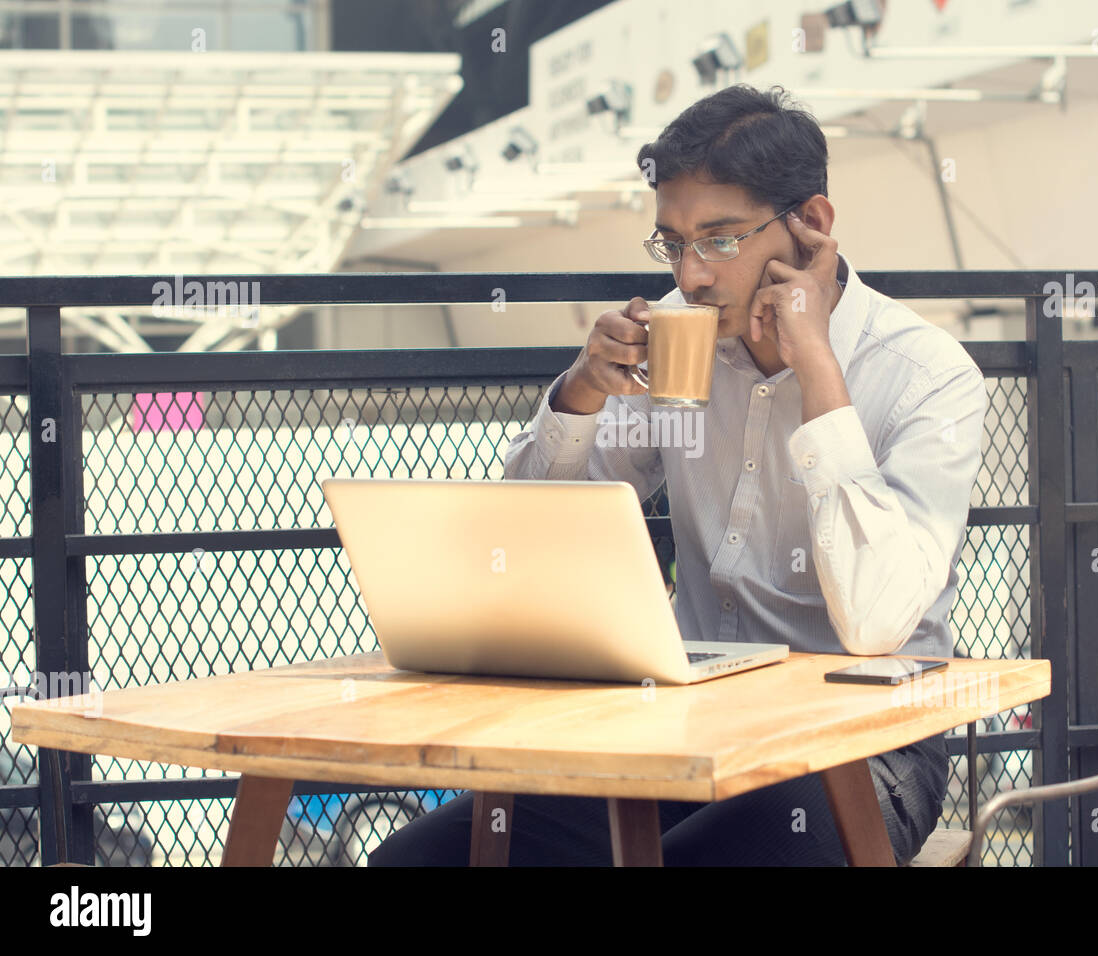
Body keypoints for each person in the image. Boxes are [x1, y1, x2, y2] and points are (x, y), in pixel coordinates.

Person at [369, 83, 989, 867]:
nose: (692, 275)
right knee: (413, 863)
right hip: (685, 729)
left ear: (815, 225)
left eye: (722, 239)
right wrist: (582, 392)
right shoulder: (678, 337)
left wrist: (817, 369)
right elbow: (522, 536)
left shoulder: (928, 376)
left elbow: (876, 625)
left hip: (865, 750)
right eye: (672, 243)